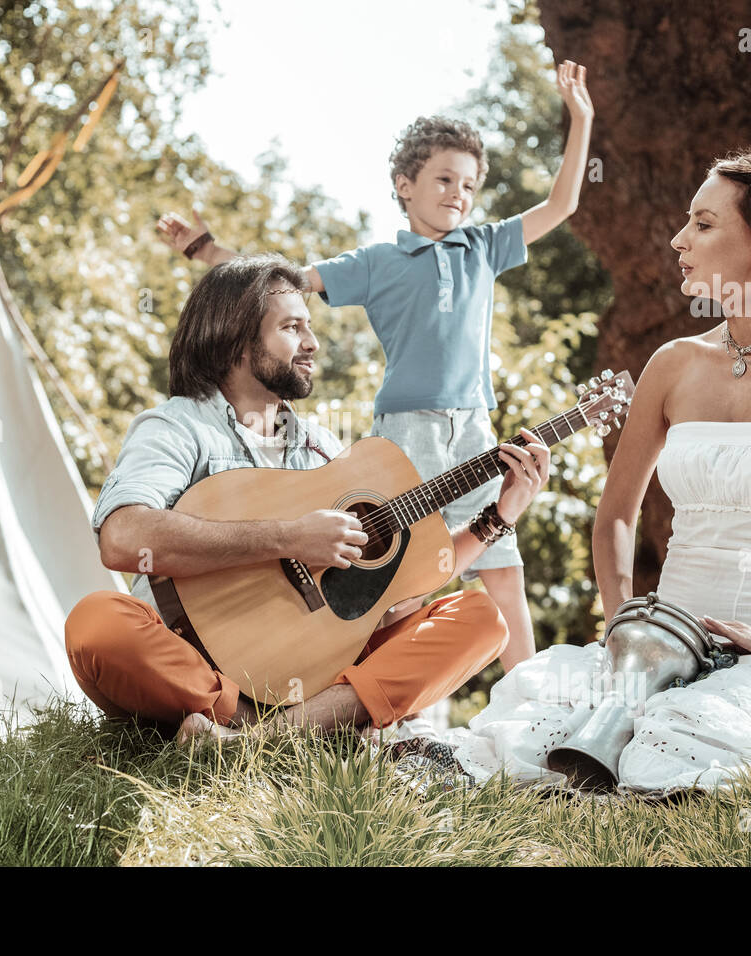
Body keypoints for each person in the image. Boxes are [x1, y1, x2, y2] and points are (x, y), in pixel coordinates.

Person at [449, 148, 751, 792]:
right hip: (656, 643)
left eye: (703, 224)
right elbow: (616, 514)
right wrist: (622, 630)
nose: (679, 240)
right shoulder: (671, 364)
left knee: (665, 758)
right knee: (536, 742)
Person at [156, 61, 595, 674]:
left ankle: (531, 702)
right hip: (405, 432)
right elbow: (277, 284)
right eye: (443, 178)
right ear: (404, 184)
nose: (458, 194)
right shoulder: (377, 260)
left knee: (500, 556)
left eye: (468, 185)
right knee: (400, 572)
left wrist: (582, 118)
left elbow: (563, 201)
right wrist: (205, 250)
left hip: (471, 426)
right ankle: (378, 695)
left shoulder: (485, 246)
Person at [64, 254, 552, 745]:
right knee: (97, 625)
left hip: (311, 673)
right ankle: (288, 724)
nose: (313, 343)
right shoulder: (177, 426)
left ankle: (258, 741)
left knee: (481, 619)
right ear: (236, 338)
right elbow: (123, 537)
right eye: (292, 327)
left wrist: (499, 516)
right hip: (193, 659)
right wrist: (289, 538)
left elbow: (398, 587)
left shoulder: (324, 447)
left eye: (309, 327)